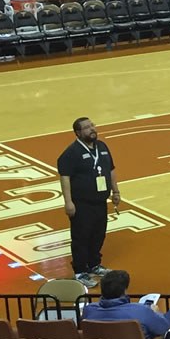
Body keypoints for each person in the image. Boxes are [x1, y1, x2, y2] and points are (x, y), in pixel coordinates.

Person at [57, 117, 118, 282]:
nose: (92, 129)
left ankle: (94, 265)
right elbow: (65, 178)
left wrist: (116, 192)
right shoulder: (71, 153)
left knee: (98, 235)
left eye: (92, 125)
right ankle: (80, 272)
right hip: (81, 204)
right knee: (81, 238)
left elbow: (111, 170)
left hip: (100, 202)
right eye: (87, 127)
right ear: (78, 133)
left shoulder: (102, 147)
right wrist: (68, 202)